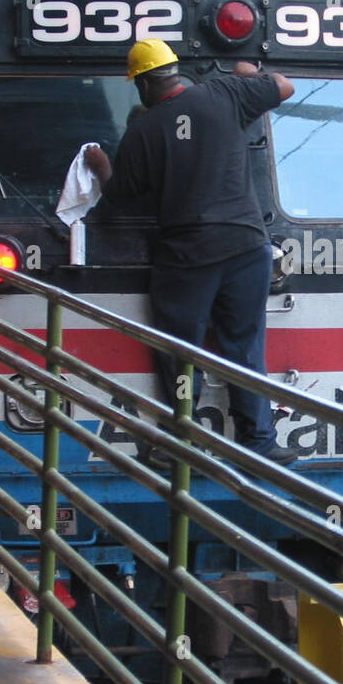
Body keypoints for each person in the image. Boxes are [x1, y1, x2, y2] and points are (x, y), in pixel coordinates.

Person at [84, 38, 298, 464]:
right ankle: (258, 443)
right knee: (244, 347)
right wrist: (246, 75)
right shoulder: (224, 92)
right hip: (247, 246)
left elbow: (115, 203)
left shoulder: (143, 132)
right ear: (176, 71)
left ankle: (183, 441)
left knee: (180, 350)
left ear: (143, 85)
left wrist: (100, 163)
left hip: (188, 256)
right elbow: (284, 86)